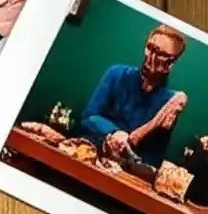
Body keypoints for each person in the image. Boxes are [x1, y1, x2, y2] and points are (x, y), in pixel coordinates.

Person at [77, 24, 189, 167]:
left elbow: (154, 155)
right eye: (150, 48)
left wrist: (136, 166)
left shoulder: (169, 102)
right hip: (90, 156)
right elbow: (88, 117)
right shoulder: (116, 74)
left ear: (172, 62)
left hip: (126, 169)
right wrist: (113, 132)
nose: (151, 58)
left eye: (162, 55)